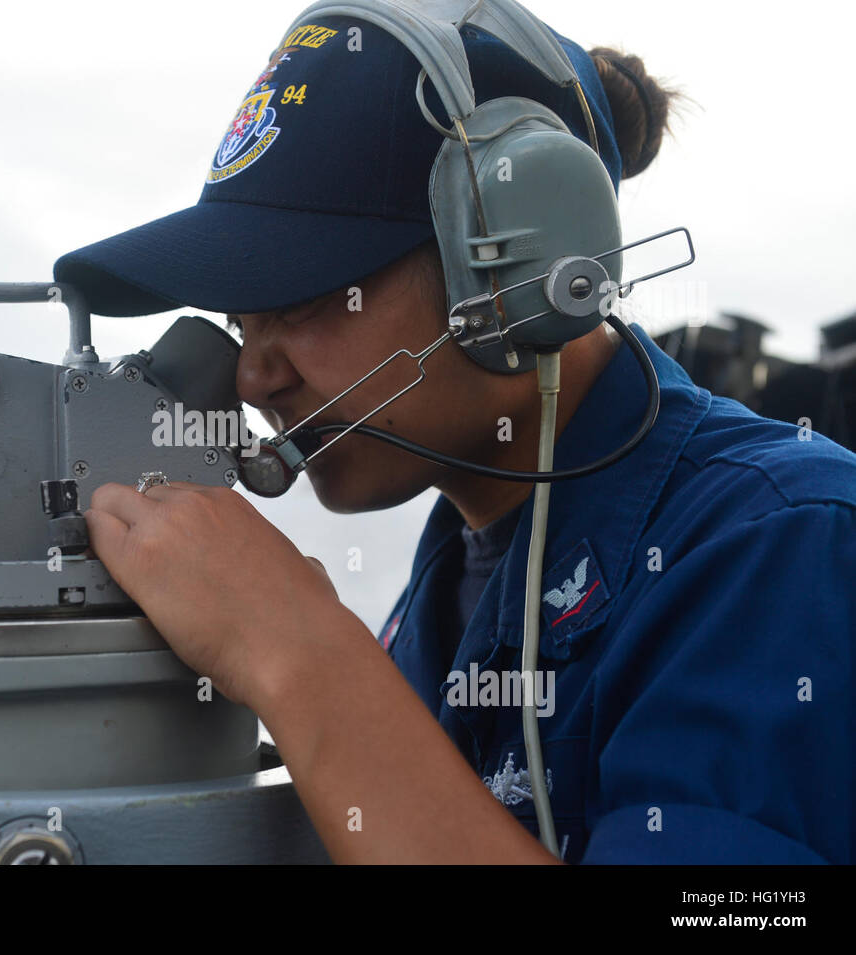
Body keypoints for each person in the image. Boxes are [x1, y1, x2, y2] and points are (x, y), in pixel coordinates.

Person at [53, 7, 855, 864]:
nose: (253, 375)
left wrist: (296, 650)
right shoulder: (461, 568)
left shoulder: (783, 545)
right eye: (240, 319)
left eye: (302, 302)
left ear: (516, 270)